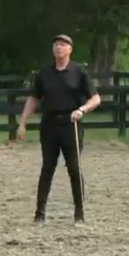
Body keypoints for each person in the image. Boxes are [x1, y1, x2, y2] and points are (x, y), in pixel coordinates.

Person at [18, 34, 101, 224]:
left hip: (70, 124)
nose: (58, 48)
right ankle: (40, 213)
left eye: (63, 45)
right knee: (47, 167)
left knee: (74, 167)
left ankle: (79, 213)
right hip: (49, 125)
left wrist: (82, 110)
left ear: (70, 49)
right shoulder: (44, 73)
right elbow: (33, 99)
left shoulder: (79, 73)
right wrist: (22, 123)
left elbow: (95, 98)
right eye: (56, 45)